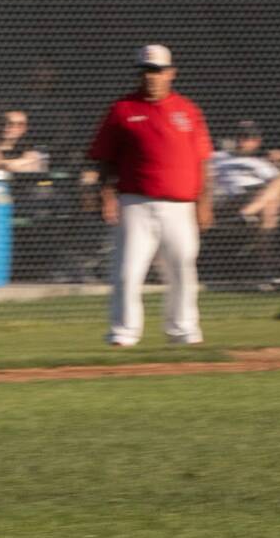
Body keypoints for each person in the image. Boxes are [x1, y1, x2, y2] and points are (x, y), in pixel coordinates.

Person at [85, 42, 214, 348]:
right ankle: (124, 332)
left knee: (182, 268)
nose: (151, 77)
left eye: (157, 71)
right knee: (128, 271)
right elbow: (105, 160)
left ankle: (183, 330)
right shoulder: (123, 110)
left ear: (171, 73)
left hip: (181, 206)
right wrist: (105, 194)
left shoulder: (188, 111)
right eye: (145, 71)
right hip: (136, 203)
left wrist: (205, 203)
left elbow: (203, 161)